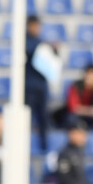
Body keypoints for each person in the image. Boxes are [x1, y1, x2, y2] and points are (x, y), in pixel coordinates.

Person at [24, 16, 60, 155]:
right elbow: (31, 53)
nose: (36, 29)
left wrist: (54, 50)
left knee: (43, 117)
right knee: (28, 117)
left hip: (41, 86)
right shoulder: (26, 42)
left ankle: (44, 147)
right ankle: (26, 145)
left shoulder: (41, 43)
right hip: (29, 85)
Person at [65, 64, 93, 130]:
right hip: (78, 118)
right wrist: (92, 111)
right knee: (71, 119)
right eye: (89, 76)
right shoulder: (75, 87)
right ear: (85, 75)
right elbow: (74, 109)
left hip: (91, 118)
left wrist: (85, 110)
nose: (91, 79)